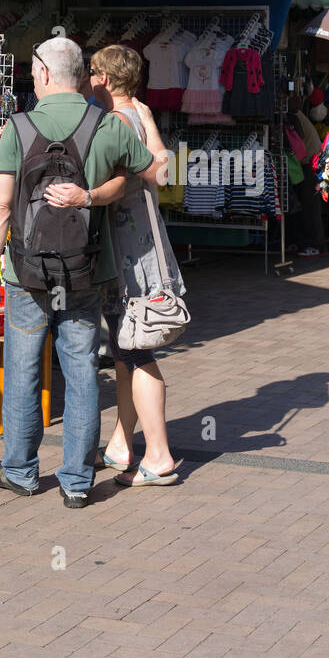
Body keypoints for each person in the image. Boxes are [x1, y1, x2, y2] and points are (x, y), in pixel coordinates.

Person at [0, 37, 163, 509]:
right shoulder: (107, 123)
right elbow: (152, 172)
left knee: (21, 369)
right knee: (80, 370)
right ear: (82, 76)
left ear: (41, 73)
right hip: (85, 269)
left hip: (26, 272)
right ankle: (77, 481)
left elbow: (0, 205)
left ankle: (19, 471)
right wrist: (94, 195)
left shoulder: (17, 127)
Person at [86, 45, 184, 485]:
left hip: (128, 255)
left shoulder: (113, 122)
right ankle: (123, 443)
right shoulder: (136, 117)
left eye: (91, 73)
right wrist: (149, 124)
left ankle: (158, 454)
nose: (88, 80)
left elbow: (155, 176)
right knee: (126, 350)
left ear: (105, 78)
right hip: (139, 246)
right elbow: (165, 172)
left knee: (136, 349)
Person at [287, 90, 328, 257]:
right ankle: (305, 242)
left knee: (310, 207)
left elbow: (298, 147)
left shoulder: (292, 117)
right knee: (306, 206)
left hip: (311, 164)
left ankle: (317, 245)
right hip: (309, 163)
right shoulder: (295, 115)